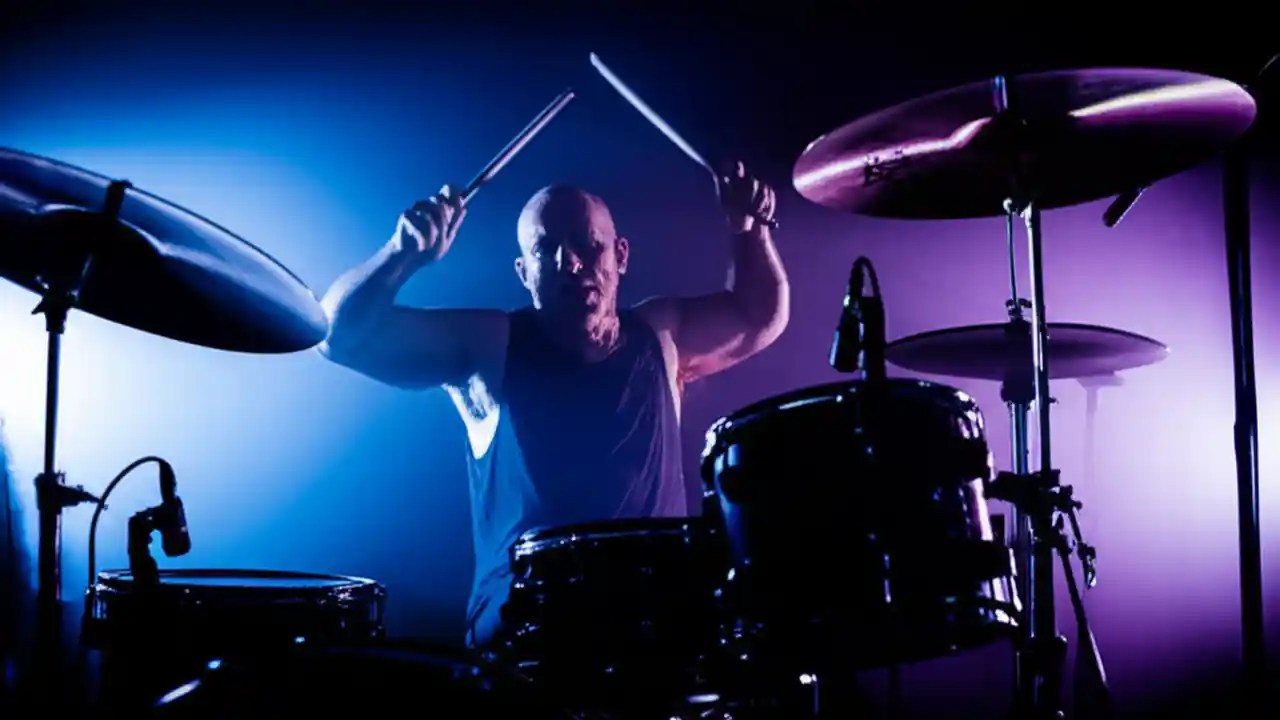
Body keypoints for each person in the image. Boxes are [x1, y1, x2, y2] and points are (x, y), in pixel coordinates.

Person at [319, 161, 789, 648]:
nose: (571, 264)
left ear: (620, 254)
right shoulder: (489, 348)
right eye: (547, 249)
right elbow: (338, 336)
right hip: (527, 639)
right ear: (523, 272)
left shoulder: (661, 335)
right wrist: (402, 254)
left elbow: (761, 315)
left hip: (658, 629)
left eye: (588, 244)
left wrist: (749, 231)